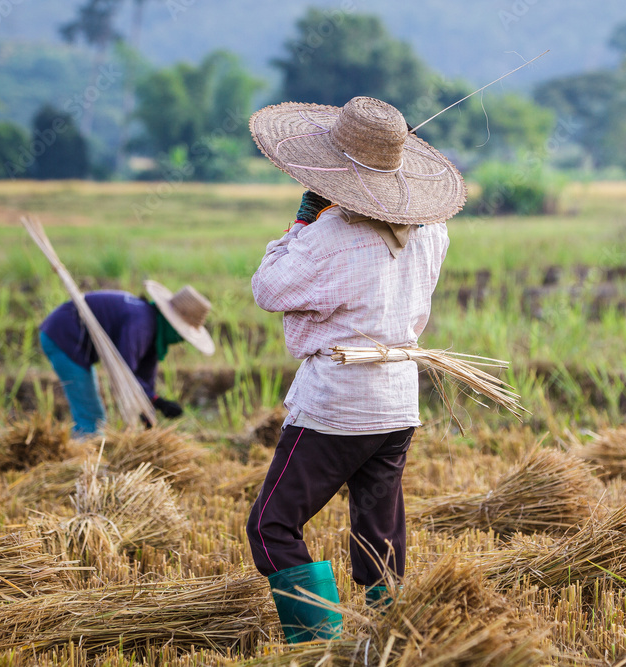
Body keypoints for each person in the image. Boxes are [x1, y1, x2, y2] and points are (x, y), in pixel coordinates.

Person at [244, 96, 466, 642]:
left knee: (271, 527)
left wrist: (301, 221)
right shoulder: (433, 231)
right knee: (377, 534)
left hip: (338, 401)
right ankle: (386, 639)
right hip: (397, 400)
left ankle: (321, 645)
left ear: (329, 174)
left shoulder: (329, 235)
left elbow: (267, 289)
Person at [39, 281, 215, 435]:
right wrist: (158, 401)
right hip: (64, 336)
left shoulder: (151, 324)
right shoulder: (141, 325)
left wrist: (147, 415)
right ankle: (79, 464)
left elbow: (144, 374)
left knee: (92, 416)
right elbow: (124, 372)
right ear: (173, 325)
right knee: (92, 418)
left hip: (68, 338)